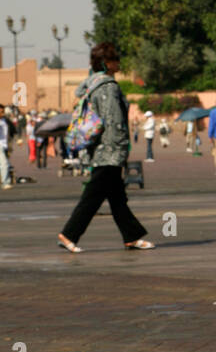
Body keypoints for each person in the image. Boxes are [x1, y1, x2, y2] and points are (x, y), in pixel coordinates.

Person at [57, 42, 153, 253]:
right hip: (109, 150)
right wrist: (121, 148)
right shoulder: (108, 87)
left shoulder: (92, 85)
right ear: (106, 63)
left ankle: (132, 236)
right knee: (93, 196)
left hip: (99, 148)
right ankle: (69, 234)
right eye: (115, 59)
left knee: (117, 196)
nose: (119, 63)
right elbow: (113, 120)